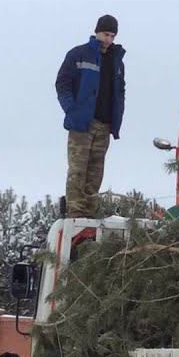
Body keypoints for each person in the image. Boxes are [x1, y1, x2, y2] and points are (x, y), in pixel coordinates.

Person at [56, 14, 126, 218]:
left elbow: (120, 91)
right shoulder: (79, 54)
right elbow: (62, 83)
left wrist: (117, 116)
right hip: (82, 124)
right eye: (106, 34)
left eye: (112, 36)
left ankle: (89, 212)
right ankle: (76, 213)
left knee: (95, 173)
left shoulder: (117, 62)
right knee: (78, 170)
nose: (108, 40)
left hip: (104, 125)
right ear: (97, 32)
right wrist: (72, 109)